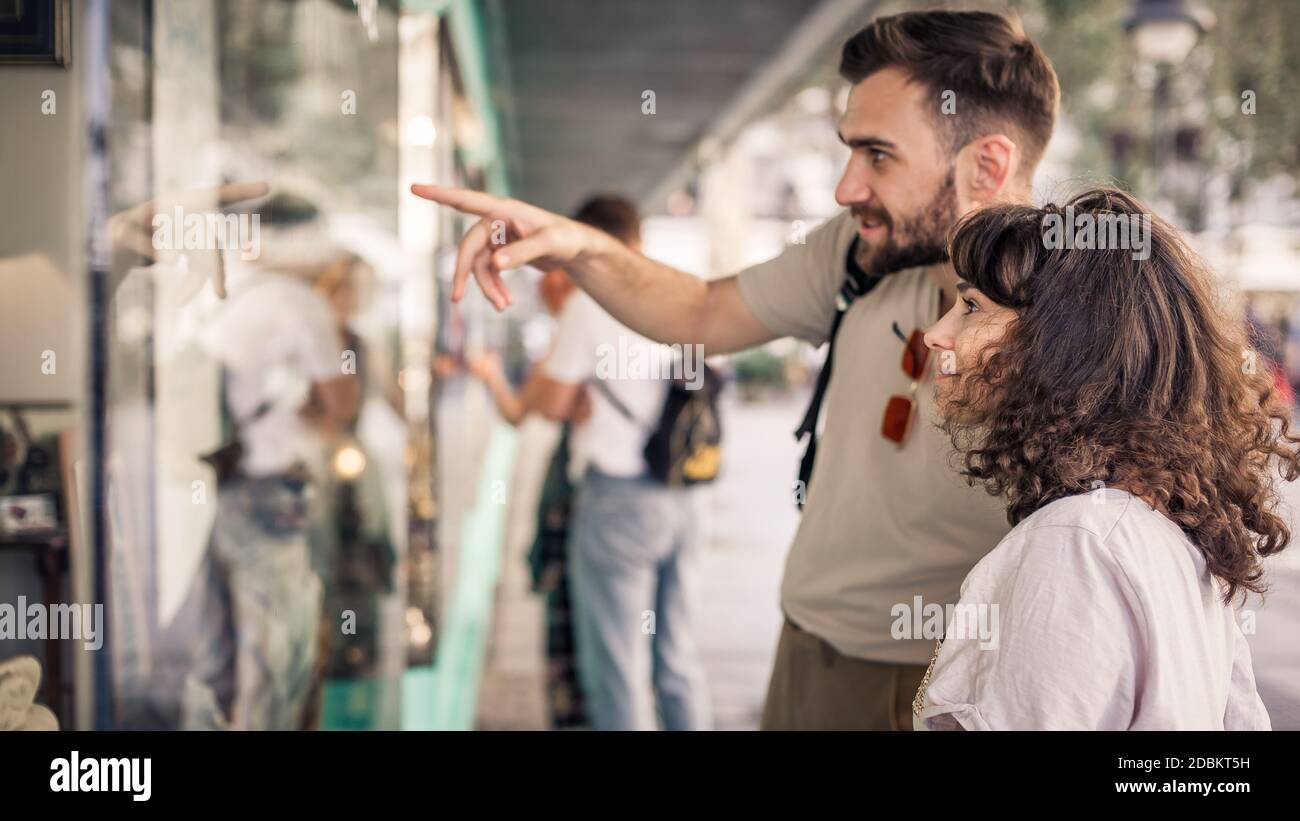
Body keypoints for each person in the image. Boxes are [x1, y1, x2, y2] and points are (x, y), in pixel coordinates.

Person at [414, 10, 1061, 729]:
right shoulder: (855, 252)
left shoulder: (1074, 336)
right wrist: (577, 246)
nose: (846, 188)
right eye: (849, 151)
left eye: (878, 156)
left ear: (986, 167)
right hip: (804, 648)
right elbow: (702, 311)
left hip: (937, 687)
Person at [913, 188, 1299, 730]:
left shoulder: (1075, 544)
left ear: (1066, 343)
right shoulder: (1159, 530)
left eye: (972, 306)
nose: (935, 334)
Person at [467, 266, 592, 729]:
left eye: (552, 280)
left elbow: (526, 409)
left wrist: (492, 376)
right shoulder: (595, 332)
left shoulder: (576, 333)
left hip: (584, 505)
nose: (543, 290)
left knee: (577, 631)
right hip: (604, 501)